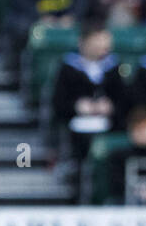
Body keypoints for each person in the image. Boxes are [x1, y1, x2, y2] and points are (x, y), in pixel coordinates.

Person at [51, 21, 126, 165]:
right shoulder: (68, 67)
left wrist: (111, 107)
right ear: (83, 42)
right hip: (76, 126)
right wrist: (76, 106)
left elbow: (124, 100)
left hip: (109, 125)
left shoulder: (114, 67)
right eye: (96, 42)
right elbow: (58, 102)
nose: (102, 48)